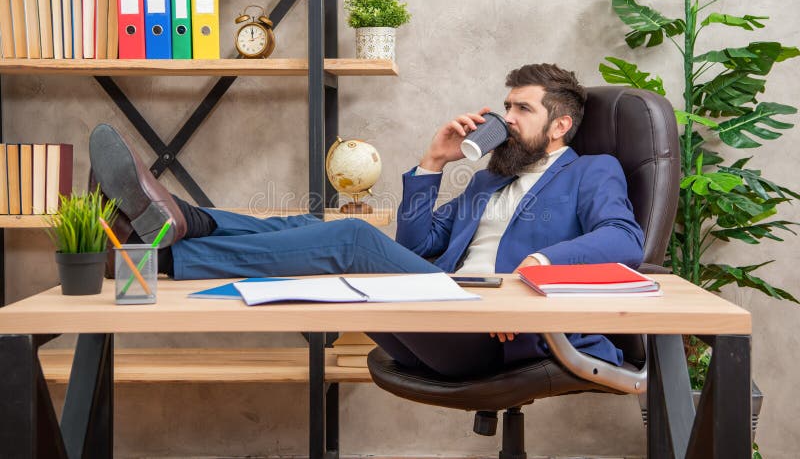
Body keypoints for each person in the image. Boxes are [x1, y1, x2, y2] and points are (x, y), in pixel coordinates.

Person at [89, 62, 643, 379]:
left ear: (560, 125)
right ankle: (186, 220)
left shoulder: (592, 170)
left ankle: (164, 256)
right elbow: (417, 242)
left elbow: (624, 239)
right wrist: (431, 163)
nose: (504, 117)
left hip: (497, 337)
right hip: (450, 305)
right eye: (506, 105)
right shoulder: (488, 179)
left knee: (352, 237)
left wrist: (538, 268)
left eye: (522, 109)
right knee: (304, 229)